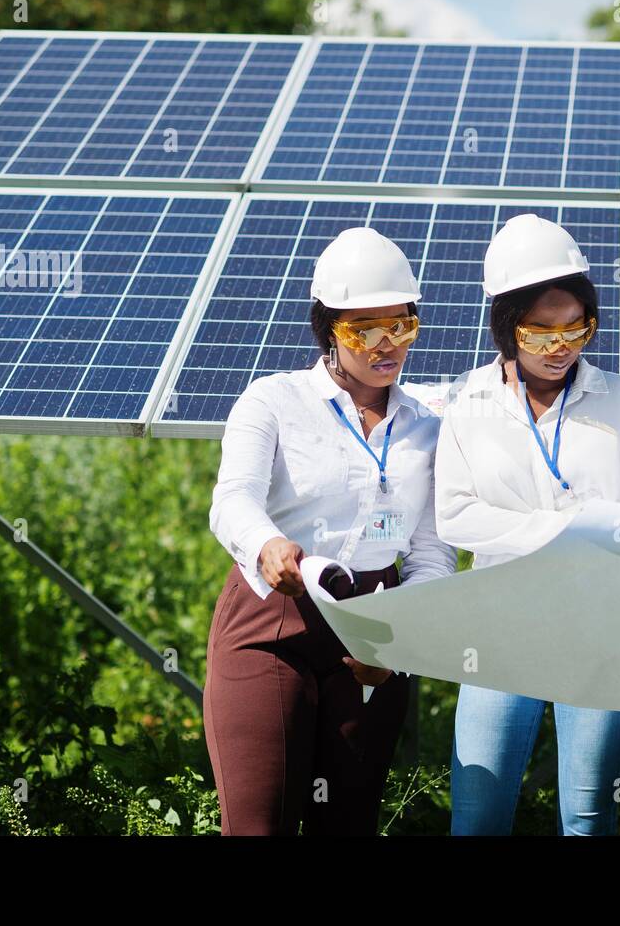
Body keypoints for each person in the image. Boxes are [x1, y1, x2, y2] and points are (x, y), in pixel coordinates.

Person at [204, 227, 456, 835]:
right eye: (363, 328)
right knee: (258, 823)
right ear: (328, 330)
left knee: (345, 825)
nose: (386, 343)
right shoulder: (273, 400)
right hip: (273, 618)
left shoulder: (431, 424)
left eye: (401, 324)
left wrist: (396, 647)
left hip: (373, 627)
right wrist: (266, 546)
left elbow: (432, 552)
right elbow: (231, 498)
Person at [434, 213, 620, 835]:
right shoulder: (469, 400)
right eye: (541, 333)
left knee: (588, 820)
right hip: (500, 627)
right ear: (507, 327)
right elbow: (455, 516)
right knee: (477, 819)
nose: (561, 347)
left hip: (600, 630)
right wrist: (563, 533)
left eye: (577, 329)